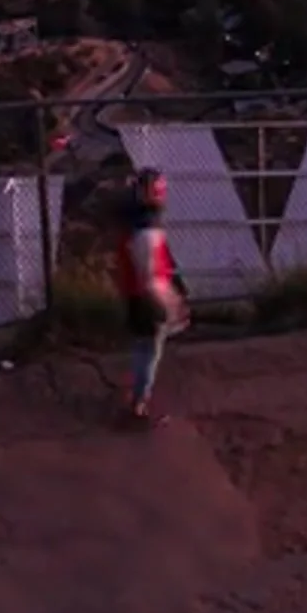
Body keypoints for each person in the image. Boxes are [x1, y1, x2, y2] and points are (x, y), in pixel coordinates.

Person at [112, 170, 189, 424]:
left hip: (133, 295)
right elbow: (151, 274)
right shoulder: (148, 230)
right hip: (147, 298)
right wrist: (170, 301)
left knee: (141, 347)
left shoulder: (130, 226)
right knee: (151, 351)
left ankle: (137, 396)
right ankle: (139, 404)